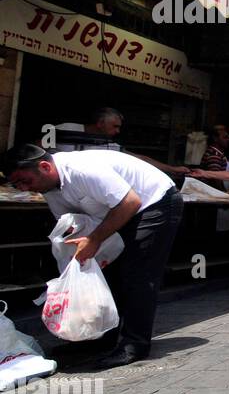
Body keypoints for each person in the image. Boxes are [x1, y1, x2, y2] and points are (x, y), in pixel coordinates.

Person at [1, 143, 184, 369]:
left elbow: (130, 202)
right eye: (18, 185)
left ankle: (135, 345)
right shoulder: (49, 188)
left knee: (137, 276)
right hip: (114, 213)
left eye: (26, 181)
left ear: (45, 166)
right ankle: (100, 339)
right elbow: (73, 224)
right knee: (107, 274)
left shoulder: (81, 169)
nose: (26, 188)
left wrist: (95, 240)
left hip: (154, 203)